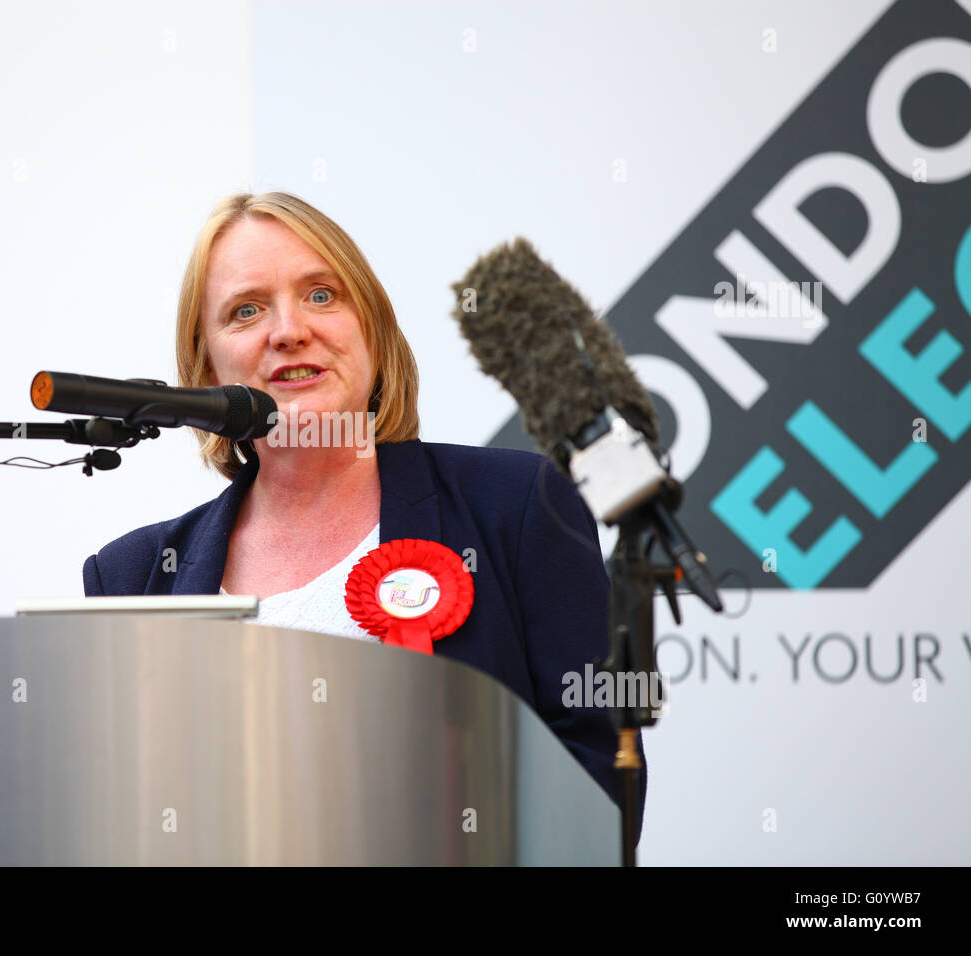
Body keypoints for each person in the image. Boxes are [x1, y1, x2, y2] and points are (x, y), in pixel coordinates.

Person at [82, 191, 645, 843]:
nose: (289, 329)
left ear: (372, 332)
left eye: (321, 295)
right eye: (246, 310)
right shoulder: (131, 577)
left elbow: (596, 781)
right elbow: (119, 824)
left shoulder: (519, 506)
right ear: (206, 366)